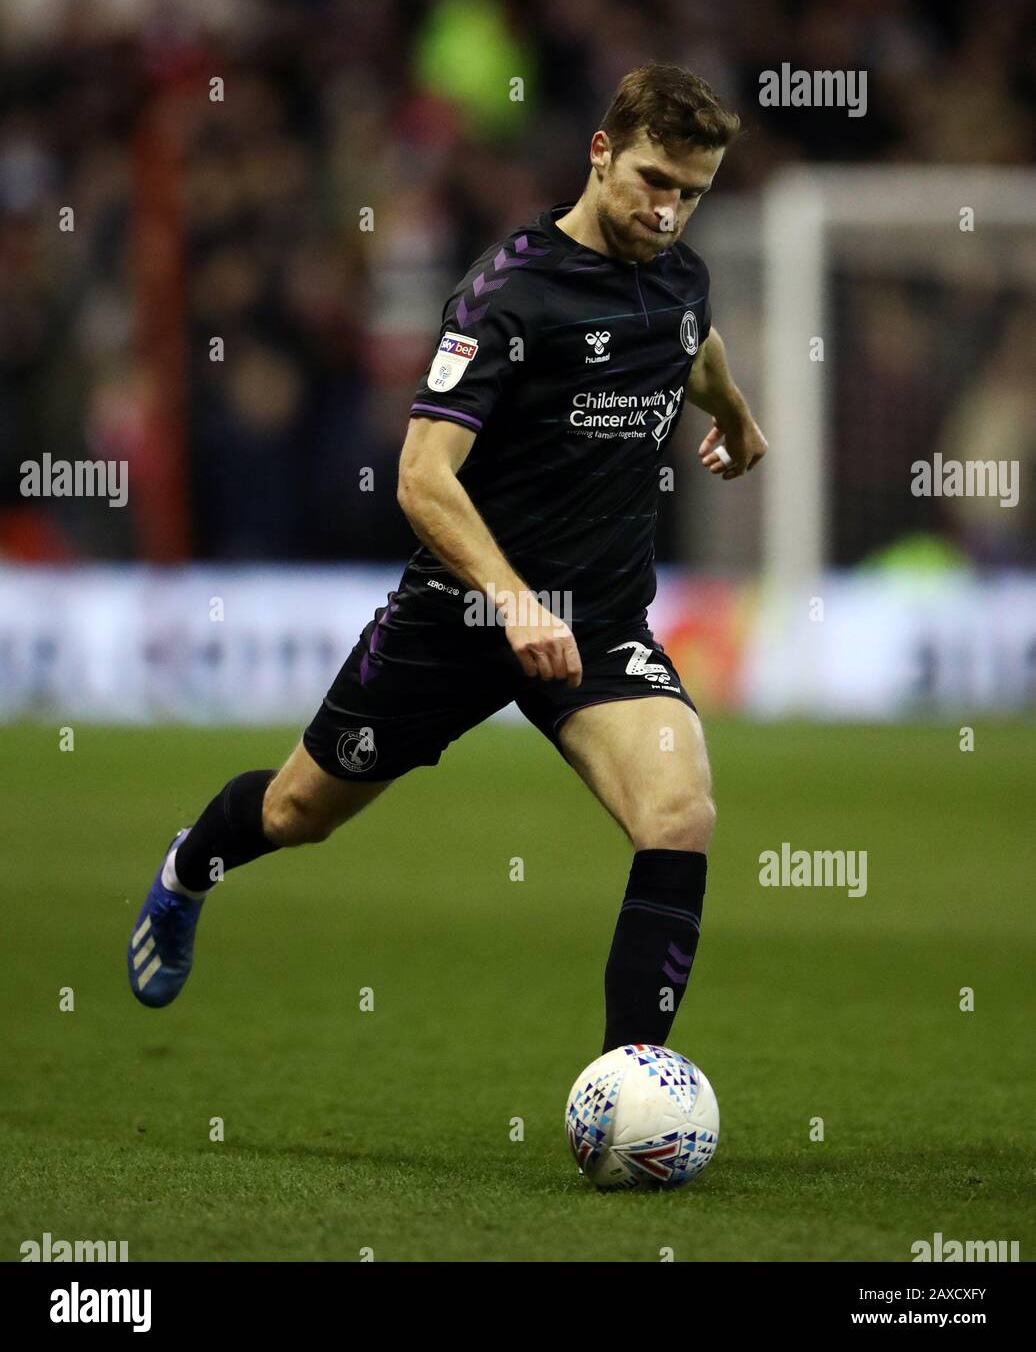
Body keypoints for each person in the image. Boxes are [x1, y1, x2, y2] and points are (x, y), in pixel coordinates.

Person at [127, 63, 767, 1059]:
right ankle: (189, 866)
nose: (669, 210)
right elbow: (421, 476)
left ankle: (632, 1084)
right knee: (300, 810)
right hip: (462, 619)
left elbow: (690, 339)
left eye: (691, 192)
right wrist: (512, 603)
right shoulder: (506, 295)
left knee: (679, 811)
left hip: (594, 625)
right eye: (652, 179)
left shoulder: (677, 272)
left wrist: (730, 410)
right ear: (599, 153)